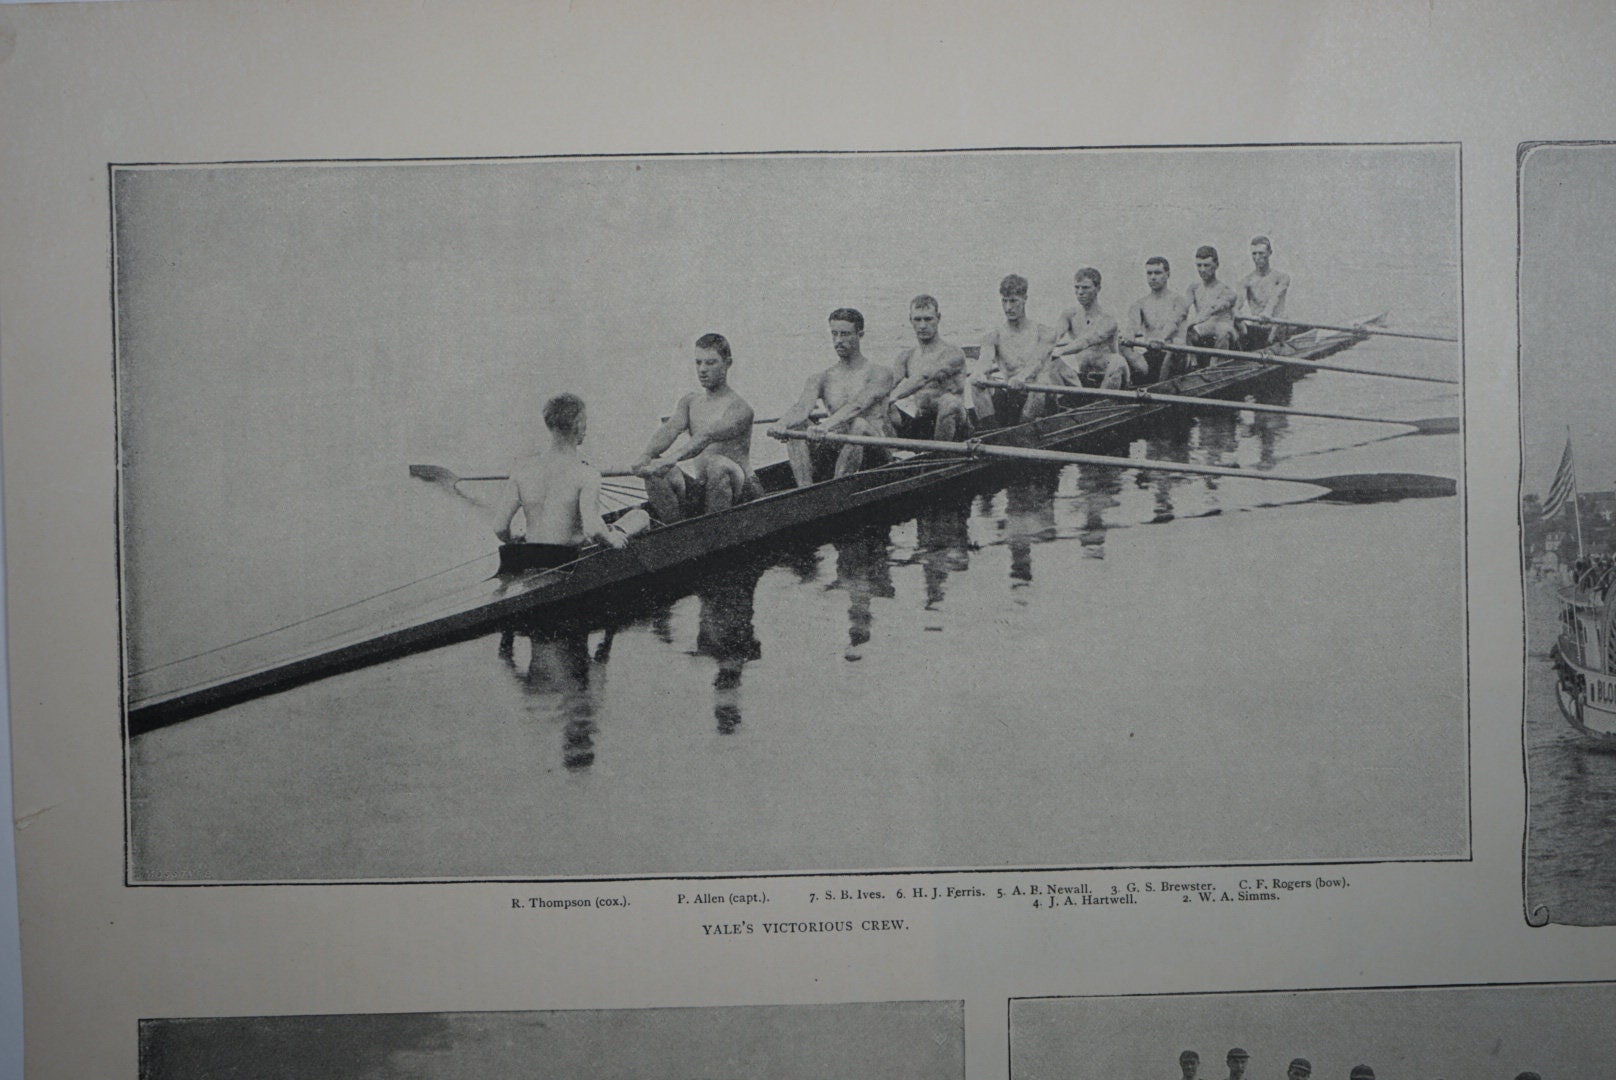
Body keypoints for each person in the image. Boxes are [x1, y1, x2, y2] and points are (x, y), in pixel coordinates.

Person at [494, 393, 640, 570]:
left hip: (529, 557)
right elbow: (593, 530)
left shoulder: (522, 470)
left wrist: (515, 538)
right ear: (578, 424)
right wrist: (613, 540)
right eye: (584, 421)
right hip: (569, 563)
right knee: (641, 516)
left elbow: (500, 528)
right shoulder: (586, 473)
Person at [630, 332, 762, 522]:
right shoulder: (690, 402)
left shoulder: (740, 409)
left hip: (743, 490)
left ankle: (714, 531)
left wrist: (671, 458)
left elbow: (706, 436)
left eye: (710, 363)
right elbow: (670, 429)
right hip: (706, 487)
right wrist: (647, 456)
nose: (702, 370)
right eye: (698, 362)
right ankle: (678, 533)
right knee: (655, 471)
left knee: (717, 464)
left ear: (728, 363)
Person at [771, 307, 898, 487]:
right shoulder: (821, 378)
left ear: (860, 334)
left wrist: (825, 426)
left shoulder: (880, 373)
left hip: (875, 449)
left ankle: (837, 490)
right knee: (798, 425)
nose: (838, 341)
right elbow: (802, 408)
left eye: (845, 334)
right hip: (837, 445)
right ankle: (805, 491)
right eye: (834, 334)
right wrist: (782, 424)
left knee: (859, 423)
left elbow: (857, 406)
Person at [1027, 267, 1132, 419]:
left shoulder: (1108, 320)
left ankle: (1100, 409)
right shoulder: (1069, 314)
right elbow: (1055, 335)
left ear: (1098, 288)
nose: (1080, 292)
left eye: (1085, 288)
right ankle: (1062, 409)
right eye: (1077, 288)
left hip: (1109, 377)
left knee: (1117, 361)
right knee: (1052, 363)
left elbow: (1087, 340)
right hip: (1083, 378)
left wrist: (1061, 351)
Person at [888, 294, 970, 440]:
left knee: (949, 402)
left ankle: (940, 457)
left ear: (938, 318)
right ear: (910, 320)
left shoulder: (953, 353)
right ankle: (894, 455)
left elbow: (924, 377)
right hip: (922, 420)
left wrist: (893, 397)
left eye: (928, 319)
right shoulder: (905, 356)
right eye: (917, 319)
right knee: (879, 404)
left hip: (955, 423)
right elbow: (889, 384)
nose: (922, 325)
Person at [979, 274, 1057, 423]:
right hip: (1012, 395)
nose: (1008, 308)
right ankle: (990, 432)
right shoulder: (993, 335)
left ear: (1025, 299)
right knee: (975, 384)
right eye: (1005, 301)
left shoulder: (1044, 333)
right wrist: (979, 374)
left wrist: (1021, 377)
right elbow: (985, 359)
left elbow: (1037, 362)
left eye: (1014, 301)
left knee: (1040, 382)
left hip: (1041, 399)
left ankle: (1023, 432)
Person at [1123, 256, 1192, 383]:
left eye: (1157, 273)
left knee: (1177, 343)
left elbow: (1173, 323)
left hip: (1173, 354)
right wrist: (1128, 335)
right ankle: (1140, 378)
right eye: (1149, 273)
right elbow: (1132, 324)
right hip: (1151, 355)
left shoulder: (1179, 301)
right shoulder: (1140, 304)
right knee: (1120, 344)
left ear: (1168, 274)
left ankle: (1161, 387)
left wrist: (1162, 337)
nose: (1153, 277)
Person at [1238, 235, 1291, 349]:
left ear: (1270, 252)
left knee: (1282, 319)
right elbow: (1239, 302)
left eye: (1261, 253)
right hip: (1258, 329)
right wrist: (1235, 312)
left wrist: (1267, 312)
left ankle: (1274, 345)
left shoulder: (1282, 277)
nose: (1257, 257)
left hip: (1277, 327)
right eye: (1254, 254)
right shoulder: (1246, 281)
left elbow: (1275, 298)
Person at [1186, 244, 1240, 353]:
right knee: (1183, 333)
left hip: (1225, 332)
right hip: (1203, 330)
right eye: (1199, 265)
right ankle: (1192, 363)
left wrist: (1193, 322)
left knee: (1222, 331)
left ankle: (1218, 366)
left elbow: (1211, 310)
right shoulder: (1193, 288)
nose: (1202, 270)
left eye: (1207, 265)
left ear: (1216, 265)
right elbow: (1184, 308)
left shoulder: (1227, 292)